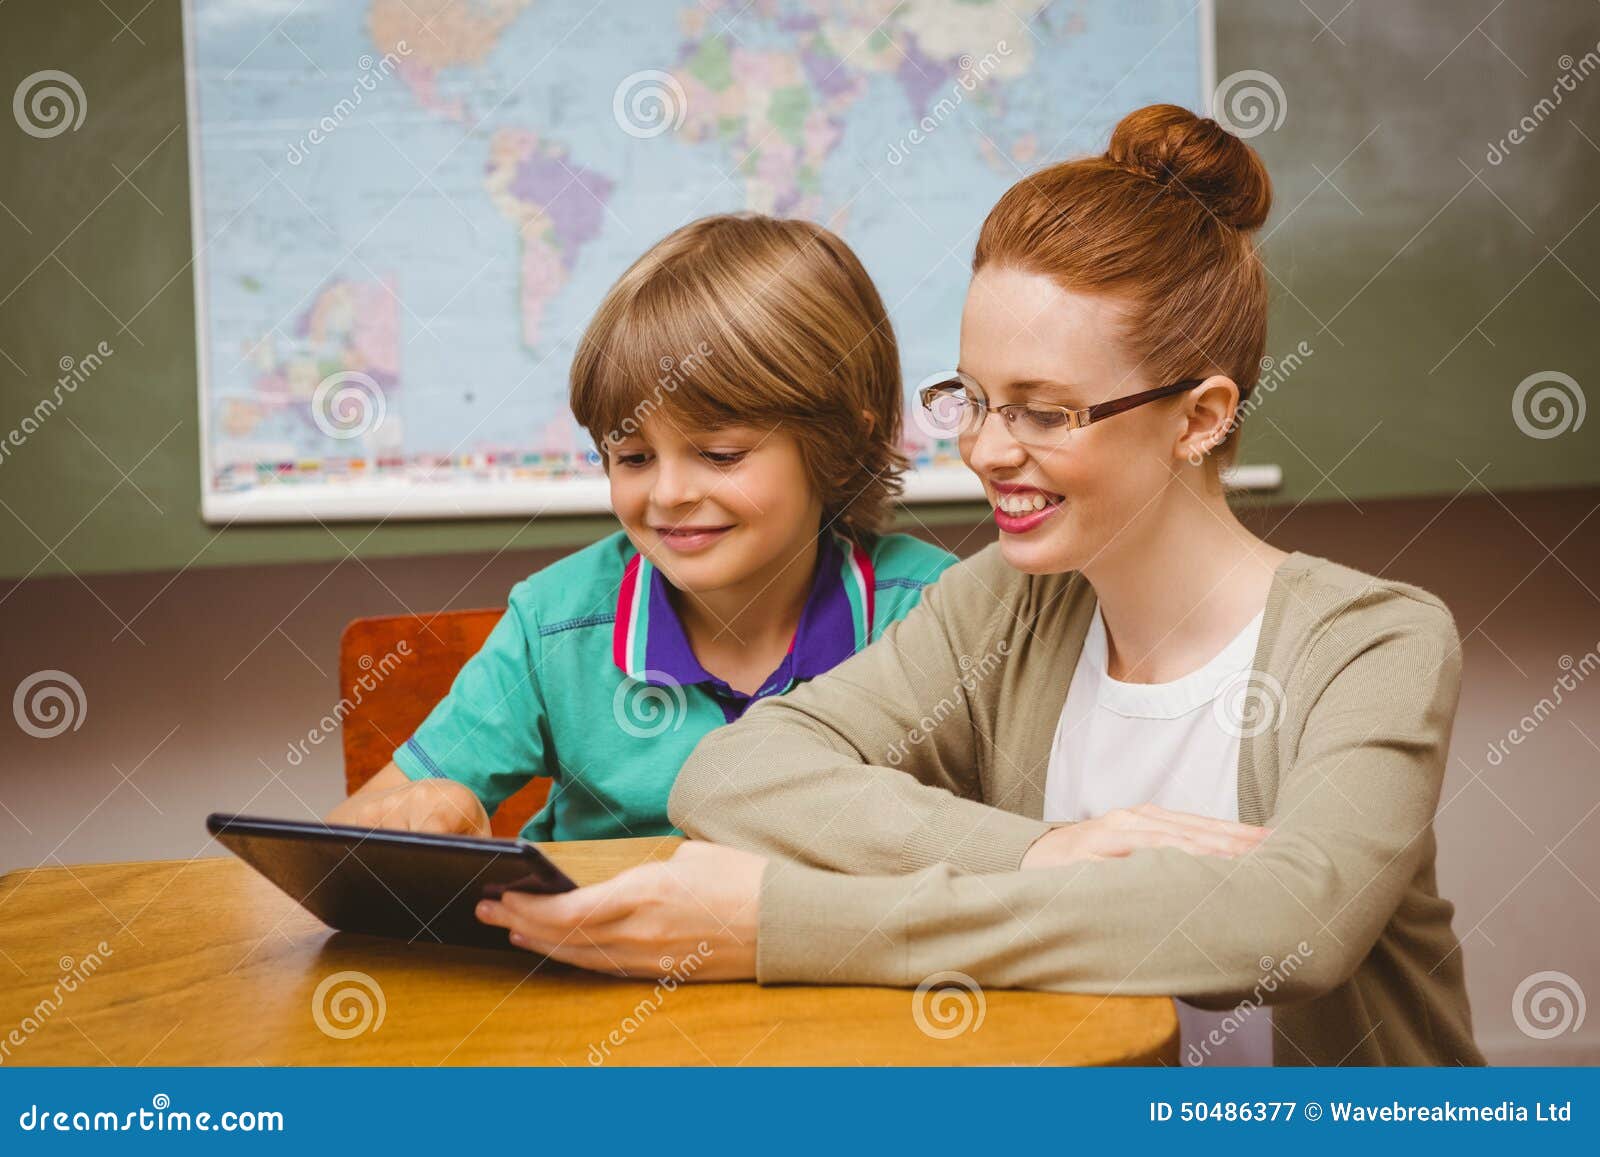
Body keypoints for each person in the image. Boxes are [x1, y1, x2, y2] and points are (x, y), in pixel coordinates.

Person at [471, 106, 1482, 1066]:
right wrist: (1045, 853)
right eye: (975, 399)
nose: (988, 451)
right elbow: (731, 777)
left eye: (1044, 412)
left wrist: (784, 922)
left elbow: (1287, 926)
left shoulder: (1375, 642)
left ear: (1199, 416)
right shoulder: (1002, 601)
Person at [329, 214, 956, 841]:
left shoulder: (939, 615)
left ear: (843, 446)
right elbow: (349, 836)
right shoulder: (556, 622)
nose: (668, 494)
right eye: (633, 457)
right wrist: (427, 810)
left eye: (720, 454)